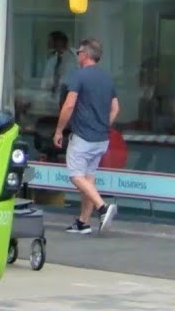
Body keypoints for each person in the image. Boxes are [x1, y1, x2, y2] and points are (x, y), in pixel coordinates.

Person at [53, 38, 120, 234]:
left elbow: (69, 105)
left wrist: (58, 131)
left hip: (83, 137)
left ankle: (103, 207)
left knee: (76, 176)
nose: (78, 56)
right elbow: (116, 108)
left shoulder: (79, 76)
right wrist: (103, 124)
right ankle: (83, 222)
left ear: (86, 54)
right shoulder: (107, 78)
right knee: (88, 180)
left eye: (79, 52)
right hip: (101, 139)